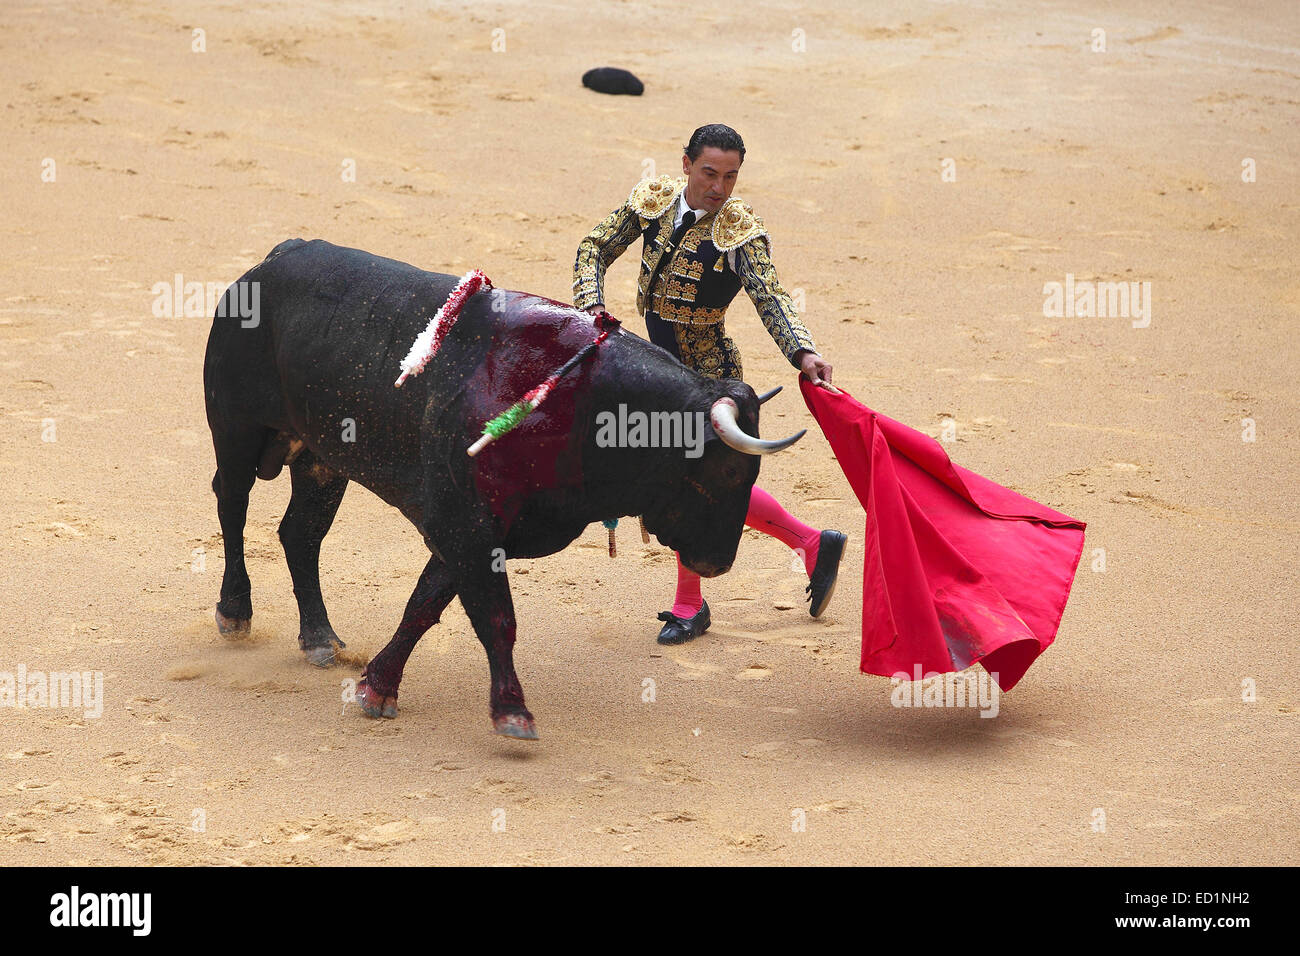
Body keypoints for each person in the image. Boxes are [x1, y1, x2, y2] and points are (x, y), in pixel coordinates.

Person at [573, 123, 847, 644]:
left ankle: (689, 605)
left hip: (708, 375)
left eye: (730, 176)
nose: (719, 188)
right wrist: (592, 307)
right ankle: (812, 543)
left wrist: (803, 349)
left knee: (690, 483)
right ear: (685, 165)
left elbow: (770, 295)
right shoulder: (654, 199)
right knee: (681, 478)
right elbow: (595, 246)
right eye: (709, 173)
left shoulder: (739, 229)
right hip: (654, 366)